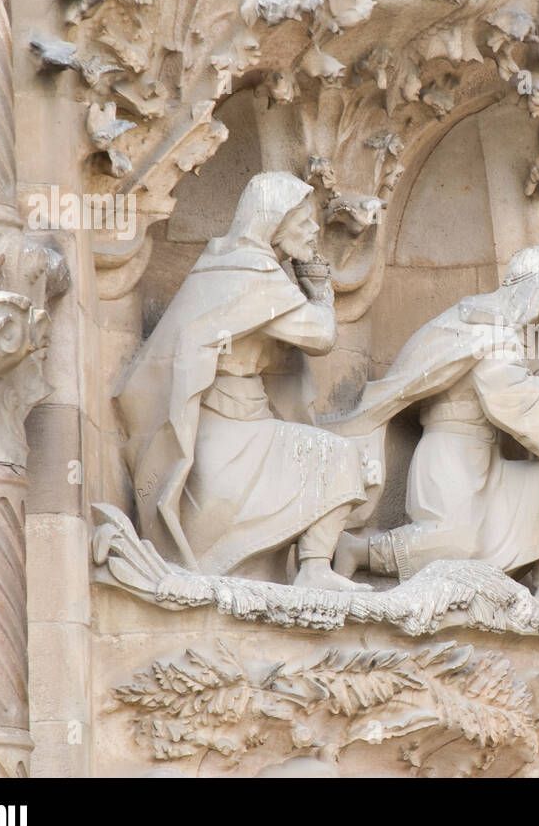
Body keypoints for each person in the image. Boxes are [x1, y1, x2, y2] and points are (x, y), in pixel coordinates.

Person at [114, 172, 374, 590]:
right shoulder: (249, 272)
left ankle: (313, 570)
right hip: (226, 439)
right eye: (304, 221)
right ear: (274, 220)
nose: (313, 232)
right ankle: (313, 570)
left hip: (246, 424)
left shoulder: (230, 266)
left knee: (339, 456)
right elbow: (320, 337)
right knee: (338, 456)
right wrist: (321, 292)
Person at [325, 245, 539, 612]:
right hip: (451, 451)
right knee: (457, 544)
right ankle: (360, 551)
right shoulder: (484, 322)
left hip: (491, 459)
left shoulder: (533, 337)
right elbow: (505, 393)